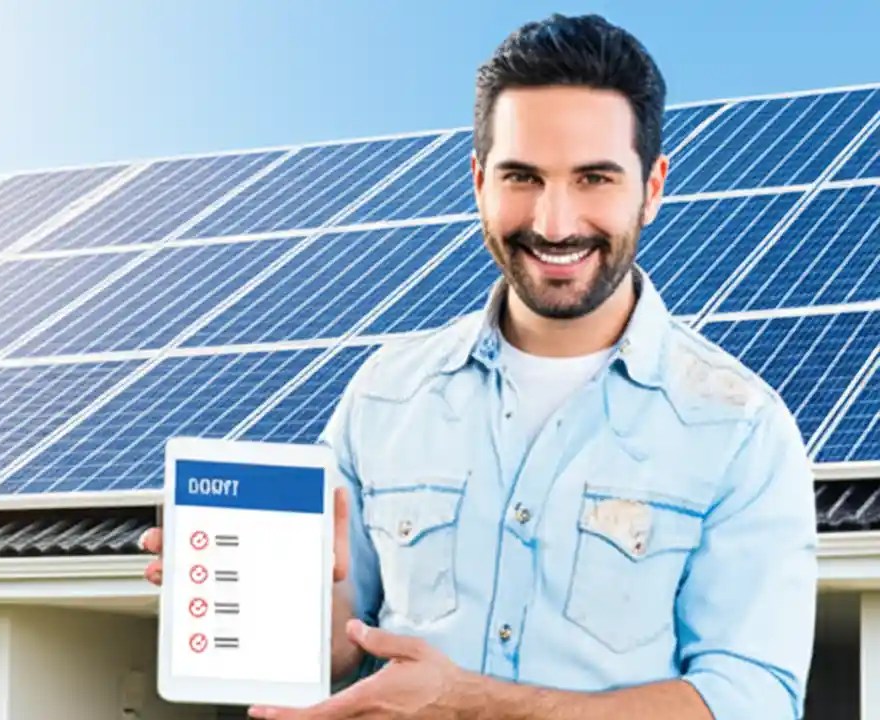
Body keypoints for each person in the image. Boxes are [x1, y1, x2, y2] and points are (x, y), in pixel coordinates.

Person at [142, 12, 818, 719]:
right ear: (478, 182)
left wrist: (474, 704)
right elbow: (339, 638)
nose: (555, 223)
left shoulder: (740, 427)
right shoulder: (387, 394)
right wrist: (245, 601)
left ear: (651, 187)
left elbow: (750, 701)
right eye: (522, 177)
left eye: (594, 178)